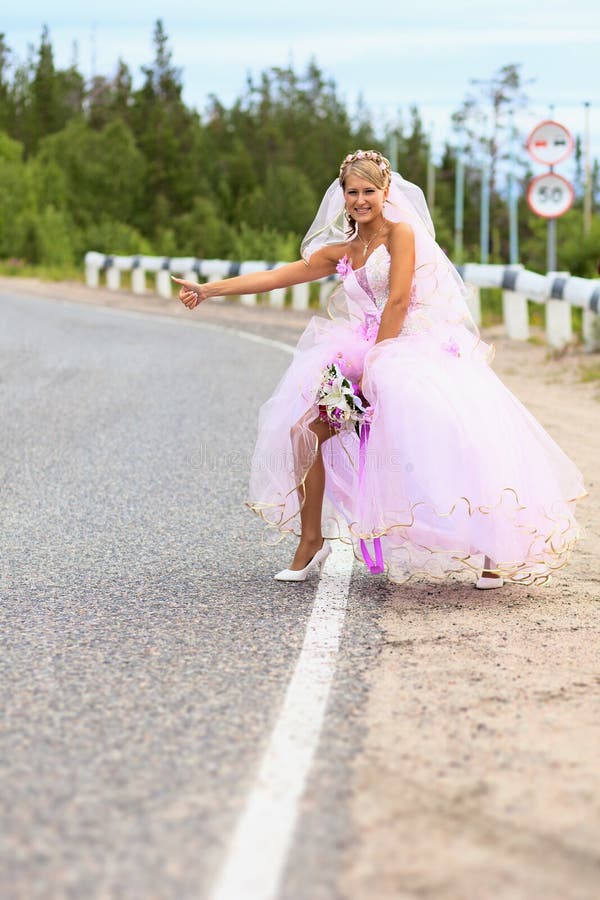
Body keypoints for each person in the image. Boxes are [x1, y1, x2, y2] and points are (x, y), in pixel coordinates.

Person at [172, 149, 586, 588]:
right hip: (358, 354)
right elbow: (280, 275)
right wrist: (208, 289)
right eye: (353, 192)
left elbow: (399, 300)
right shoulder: (344, 250)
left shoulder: (401, 235)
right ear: (343, 196)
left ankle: (493, 550)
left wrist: (377, 365)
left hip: (412, 351)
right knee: (307, 432)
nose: (360, 199)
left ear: (386, 192)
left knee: (455, 439)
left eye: (369, 190)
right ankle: (311, 541)